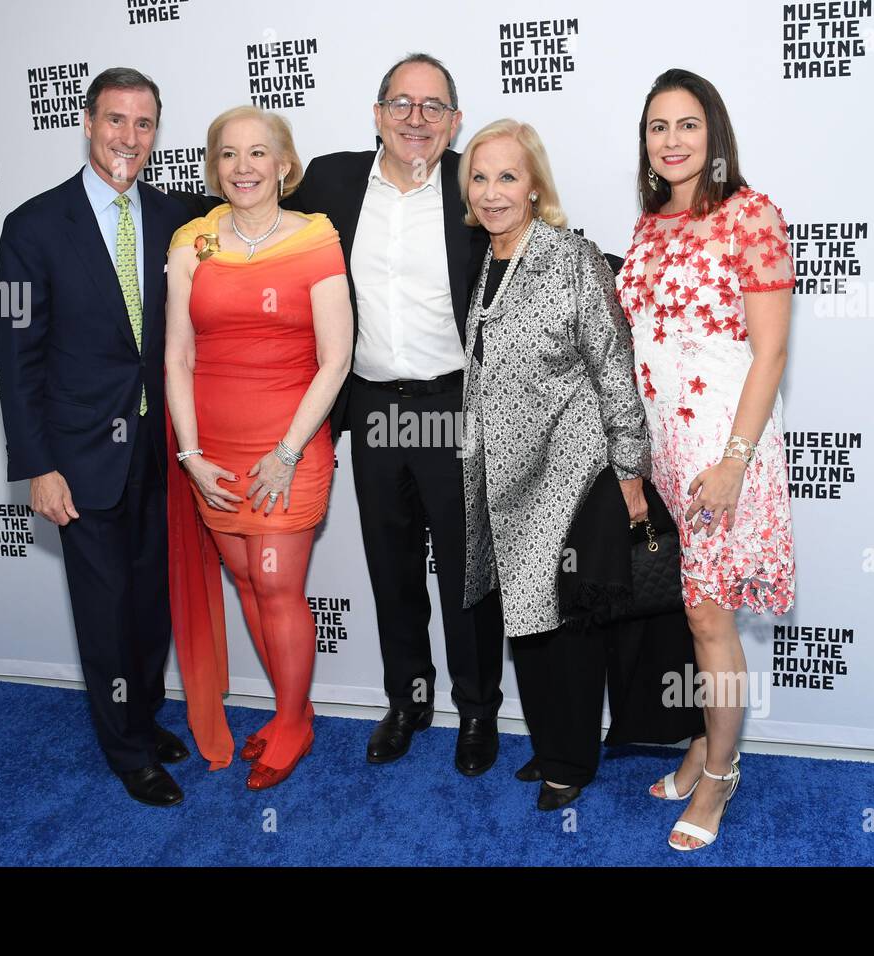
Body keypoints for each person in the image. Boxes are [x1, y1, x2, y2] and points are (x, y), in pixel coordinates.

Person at [284, 53, 502, 775]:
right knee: (393, 569)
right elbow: (250, 204)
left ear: (455, 121)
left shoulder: (479, 183)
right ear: (377, 114)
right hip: (375, 408)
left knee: (468, 578)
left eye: (433, 106)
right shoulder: (332, 181)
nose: (416, 119)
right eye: (401, 104)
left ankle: (477, 713)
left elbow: (547, 241)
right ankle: (408, 702)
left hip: (456, 407)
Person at [0, 68, 202, 807]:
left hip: (159, 452)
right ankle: (127, 750)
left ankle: (140, 716)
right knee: (106, 608)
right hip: (79, 459)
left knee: (150, 600)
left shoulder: (178, 217)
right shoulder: (31, 228)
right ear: (87, 124)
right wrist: (38, 466)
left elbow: (256, 201)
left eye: (144, 125)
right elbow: (14, 360)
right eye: (116, 121)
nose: (129, 138)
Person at [617, 68, 796, 850]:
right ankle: (702, 743)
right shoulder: (650, 223)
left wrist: (732, 463)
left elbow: (771, 351)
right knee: (694, 618)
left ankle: (721, 774)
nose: (673, 140)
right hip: (665, 449)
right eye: (659, 126)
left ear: (714, 134)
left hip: (725, 451)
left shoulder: (750, 216)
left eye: (688, 125)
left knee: (708, 618)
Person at [458, 118, 659, 811]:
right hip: (505, 476)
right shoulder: (488, 259)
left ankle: (572, 760)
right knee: (527, 618)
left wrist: (629, 472)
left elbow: (612, 365)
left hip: (571, 470)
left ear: (536, 187)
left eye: (508, 177)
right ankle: (549, 742)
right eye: (480, 177)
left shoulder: (571, 257)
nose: (492, 192)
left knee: (567, 621)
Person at [164, 106, 353, 790]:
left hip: (289, 447)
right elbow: (177, 357)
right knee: (246, 580)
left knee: (277, 582)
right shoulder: (193, 241)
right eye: (228, 155)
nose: (243, 167)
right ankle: (288, 711)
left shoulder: (315, 238)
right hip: (212, 451)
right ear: (214, 168)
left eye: (257, 153)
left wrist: (287, 451)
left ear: (283, 164)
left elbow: (336, 359)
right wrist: (189, 455)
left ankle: (294, 724)